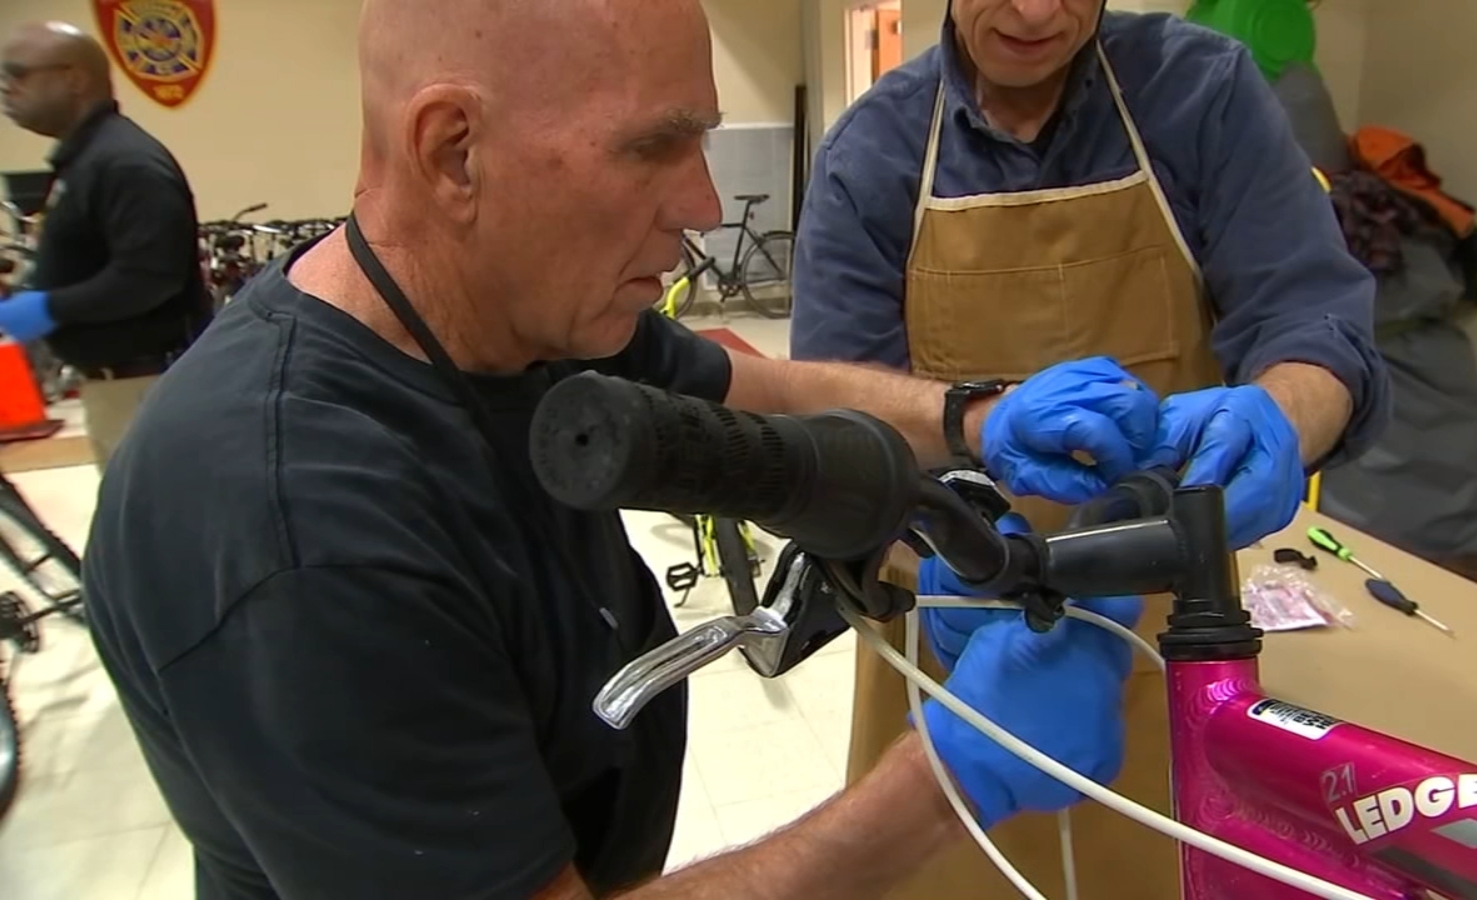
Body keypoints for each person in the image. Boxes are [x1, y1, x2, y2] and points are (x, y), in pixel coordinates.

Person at [83, 2, 1153, 898]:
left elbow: (757, 383)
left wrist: (976, 418)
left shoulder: (519, 309)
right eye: (652, 146)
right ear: (453, 150)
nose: (703, 203)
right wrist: (955, 775)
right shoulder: (299, 534)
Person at [789, 2, 1391, 897]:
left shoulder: (1203, 96)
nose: (1036, 11)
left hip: (1164, 640)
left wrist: (1281, 415)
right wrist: (934, 564)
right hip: (954, 655)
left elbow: (1316, 322)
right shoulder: (869, 154)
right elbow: (834, 446)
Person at [0, 22, 209, 469]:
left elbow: (149, 276)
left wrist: (50, 307)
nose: (6, 89)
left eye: (18, 74)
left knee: (158, 527)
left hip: (143, 384)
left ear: (74, 78)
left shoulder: (124, 162)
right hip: (117, 385)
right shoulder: (88, 159)